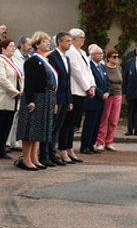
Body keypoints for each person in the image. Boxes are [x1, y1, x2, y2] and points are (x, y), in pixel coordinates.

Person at [15, 32, 54, 171]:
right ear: (37, 44)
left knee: (38, 130)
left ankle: (34, 157)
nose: (48, 44)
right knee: (30, 130)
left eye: (48, 41)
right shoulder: (32, 61)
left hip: (45, 97)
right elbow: (29, 83)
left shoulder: (46, 61)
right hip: (35, 97)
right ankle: (26, 159)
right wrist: (30, 100)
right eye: (44, 41)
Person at [57, 28, 94, 162]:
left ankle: (69, 148)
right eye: (80, 37)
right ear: (73, 39)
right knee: (68, 122)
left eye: (84, 37)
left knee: (74, 123)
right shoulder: (71, 52)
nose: (83, 40)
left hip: (83, 90)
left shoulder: (82, 52)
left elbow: (88, 70)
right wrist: (87, 87)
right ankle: (62, 148)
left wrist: (92, 85)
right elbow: (76, 72)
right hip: (75, 90)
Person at [46, 32, 73, 166]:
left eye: (70, 41)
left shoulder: (66, 58)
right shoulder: (52, 57)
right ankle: (48, 153)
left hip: (64, 98)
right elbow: (53, 80)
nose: (70, 43)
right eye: (67, 41)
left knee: (58, 127)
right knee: (52, 127)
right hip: (56, 98)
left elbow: (67, 80)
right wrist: (55, 100)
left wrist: (69, 100)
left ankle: (53, 152)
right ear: (59, 42)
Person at [79, 44, 109, 155]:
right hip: (93, 99)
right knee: (89, 124)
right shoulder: (89, 66)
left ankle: (91, 145)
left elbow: (107, 81)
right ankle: (85, 146)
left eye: (102, 53)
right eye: (99, 53)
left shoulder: (102, 66)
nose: (101, 55)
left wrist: (108, 92)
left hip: (102, 100)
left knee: (96, 124)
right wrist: (101, 95)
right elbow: (92, 83)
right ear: (92, 55)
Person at [7, 35, 31, 152]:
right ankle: (7, 142)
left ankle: (15, 141)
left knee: (19, 117)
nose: (30, 46)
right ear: (21, 44)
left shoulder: (29, 57)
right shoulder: (14, 57)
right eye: (28, 44)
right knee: (12, 116)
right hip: (16, 89)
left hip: (25, 89)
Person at [95, 49, 122, 152]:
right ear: (109, 58)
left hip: (118, 95)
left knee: (114, 120)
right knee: (104, 118)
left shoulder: (119, 68)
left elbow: (121, 81)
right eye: (114, 56)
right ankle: (100, 142)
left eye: (118, 56)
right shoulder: (104, 68)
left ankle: (109, 142)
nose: (116, 58)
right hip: (108, 95)